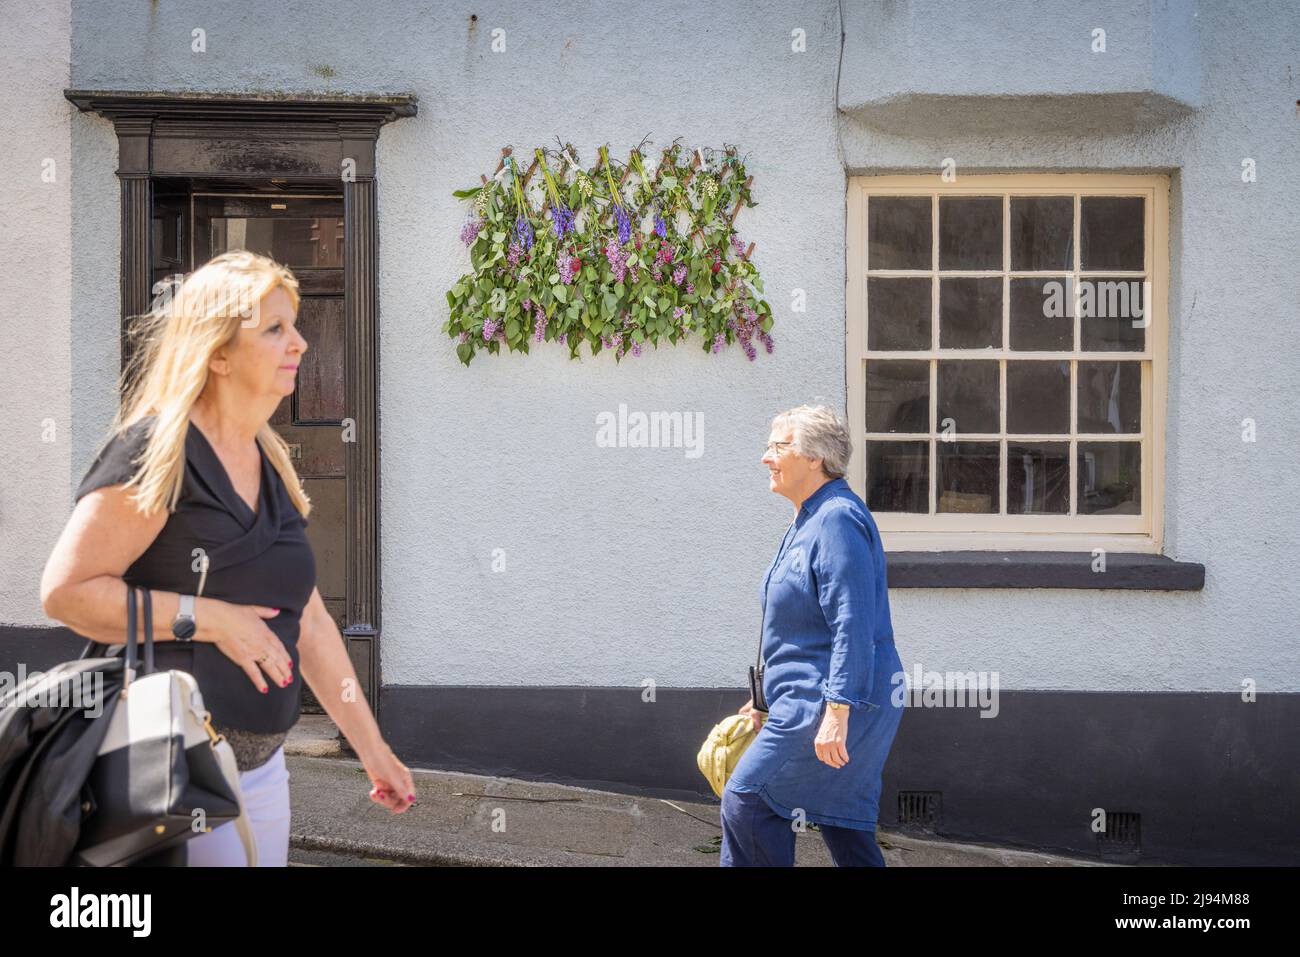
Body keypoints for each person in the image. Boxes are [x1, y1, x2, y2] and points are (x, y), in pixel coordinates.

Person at [40, 250, 415, 866]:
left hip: (263, 770)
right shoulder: (157, 451)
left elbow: (312, 623)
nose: (298, 342)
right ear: (216, 354)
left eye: (292, 325)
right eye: (274, 329)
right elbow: (66, 592)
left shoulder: (269, 459)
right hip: (167, 775)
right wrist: (210, 617)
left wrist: (372, 750)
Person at [722, 404, 905, 866]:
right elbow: (798, 626)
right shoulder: (811, 516)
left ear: (815, 458)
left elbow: (852, 621)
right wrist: (766, 697)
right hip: (810, 695)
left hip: (832, 700)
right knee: (843, 822)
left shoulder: (836, 520)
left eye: (779, 446)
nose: (766, 457)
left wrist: (838, 710)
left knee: (749, 800)